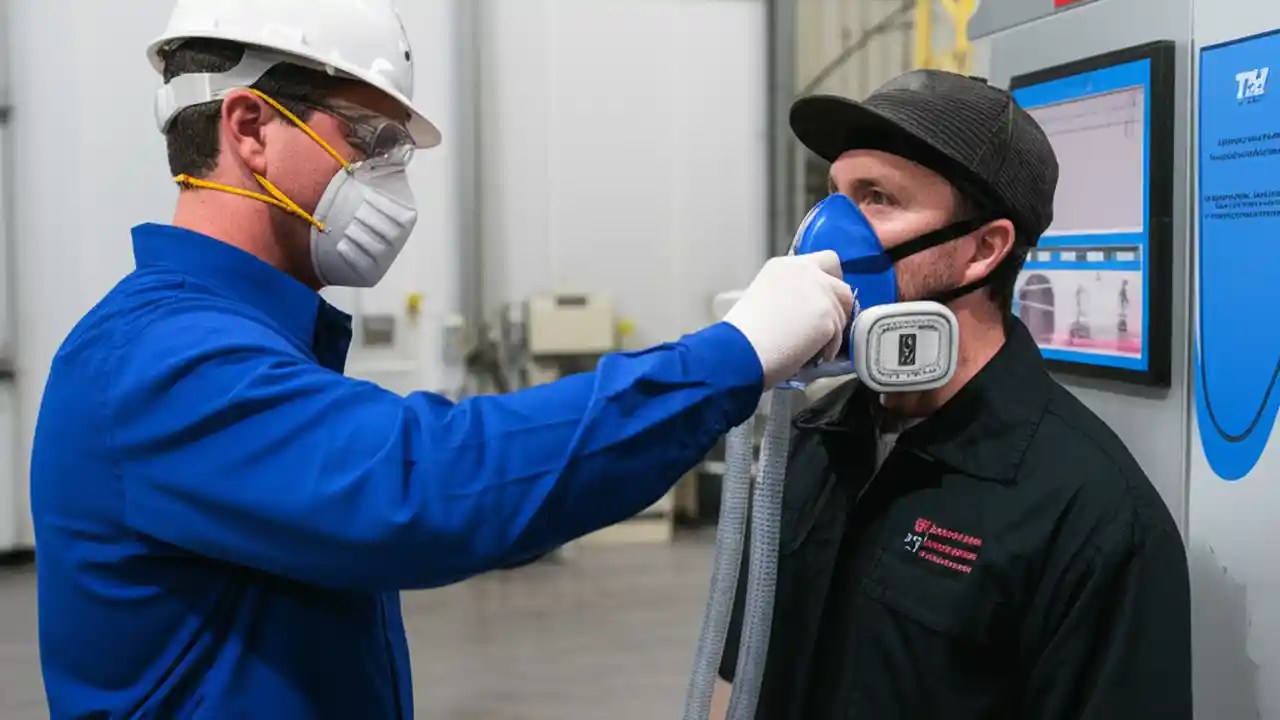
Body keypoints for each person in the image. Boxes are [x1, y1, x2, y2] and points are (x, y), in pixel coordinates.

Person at [28, 2, 854, 718]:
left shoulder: (239, 343)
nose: (393, 183)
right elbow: (429, 487)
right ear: (250, 129)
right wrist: (732, 356)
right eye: (370, 139)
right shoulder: (159, 360)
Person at [712, 70, 1192, 719]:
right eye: (834, 196)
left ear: (981, 251)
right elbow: (735, 681)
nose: (823, 233)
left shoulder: (1094, 518)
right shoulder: (804, 445)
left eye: (877, 198)